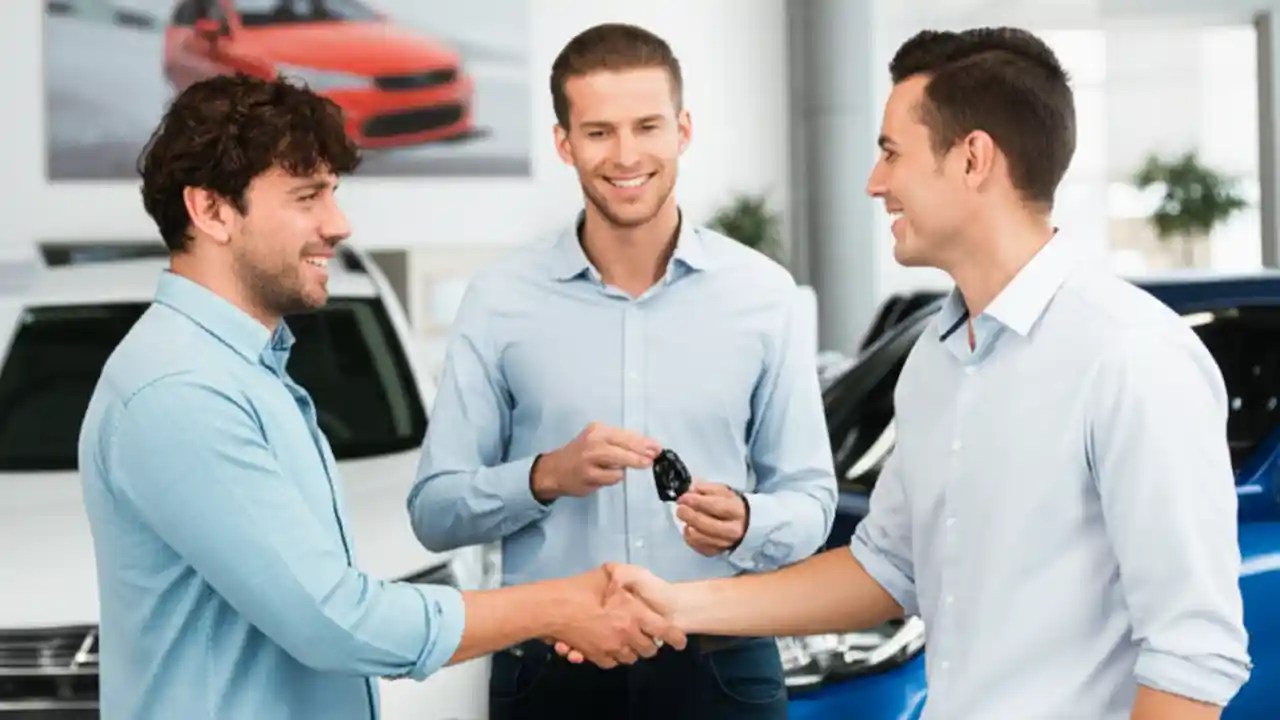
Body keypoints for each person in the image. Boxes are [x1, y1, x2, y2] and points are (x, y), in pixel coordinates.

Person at [558, 26, 1254, 720]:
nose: (874, 182)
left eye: (892, 152)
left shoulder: (1130, 356)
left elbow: (1192, 657)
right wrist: (678, 601)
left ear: (973, 158)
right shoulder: (937, 357)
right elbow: (887, 567)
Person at [76, 72, 684, 720]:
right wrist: (558, 605)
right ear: (212, 211)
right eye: (308, 196)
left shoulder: (243, 373)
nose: (337, 224)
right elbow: (335, 621)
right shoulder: (181, 393)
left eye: (332, 193)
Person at [407, 22, 837, 720]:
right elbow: (434, 510)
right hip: (550, 668)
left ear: (683, 131)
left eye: (647, 126)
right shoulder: (499, 300)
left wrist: (749, 521)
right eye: (600, 131)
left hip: (721, 662)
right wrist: (544, 476)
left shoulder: (764, 294)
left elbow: (812, 501)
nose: (626, 154)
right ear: (564, 143)